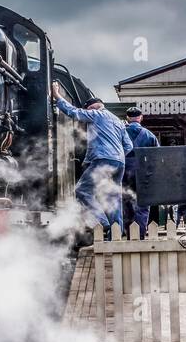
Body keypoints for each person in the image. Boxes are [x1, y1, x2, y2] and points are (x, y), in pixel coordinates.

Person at [53, 82, 132, 240]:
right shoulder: (117, 121)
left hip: (103, 160)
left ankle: (103, 222)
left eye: (87, 112)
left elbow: (73, 112)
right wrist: (117, 155)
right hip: (120, 163)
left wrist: (56, 95)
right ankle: (115, 236)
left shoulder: (97, 115)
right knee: (113, 198)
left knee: (82, 190)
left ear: (92, 108)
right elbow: (128, 145)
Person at [121, 107, 159, 240]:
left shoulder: (120, 132)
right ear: (141, 117)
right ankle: (141, 236)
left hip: (124, 174)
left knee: (127, 205)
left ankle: (130, 236)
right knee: (142, 206)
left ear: (127, 118)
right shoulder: (150, 135)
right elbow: (157, 157)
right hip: (143, 174)